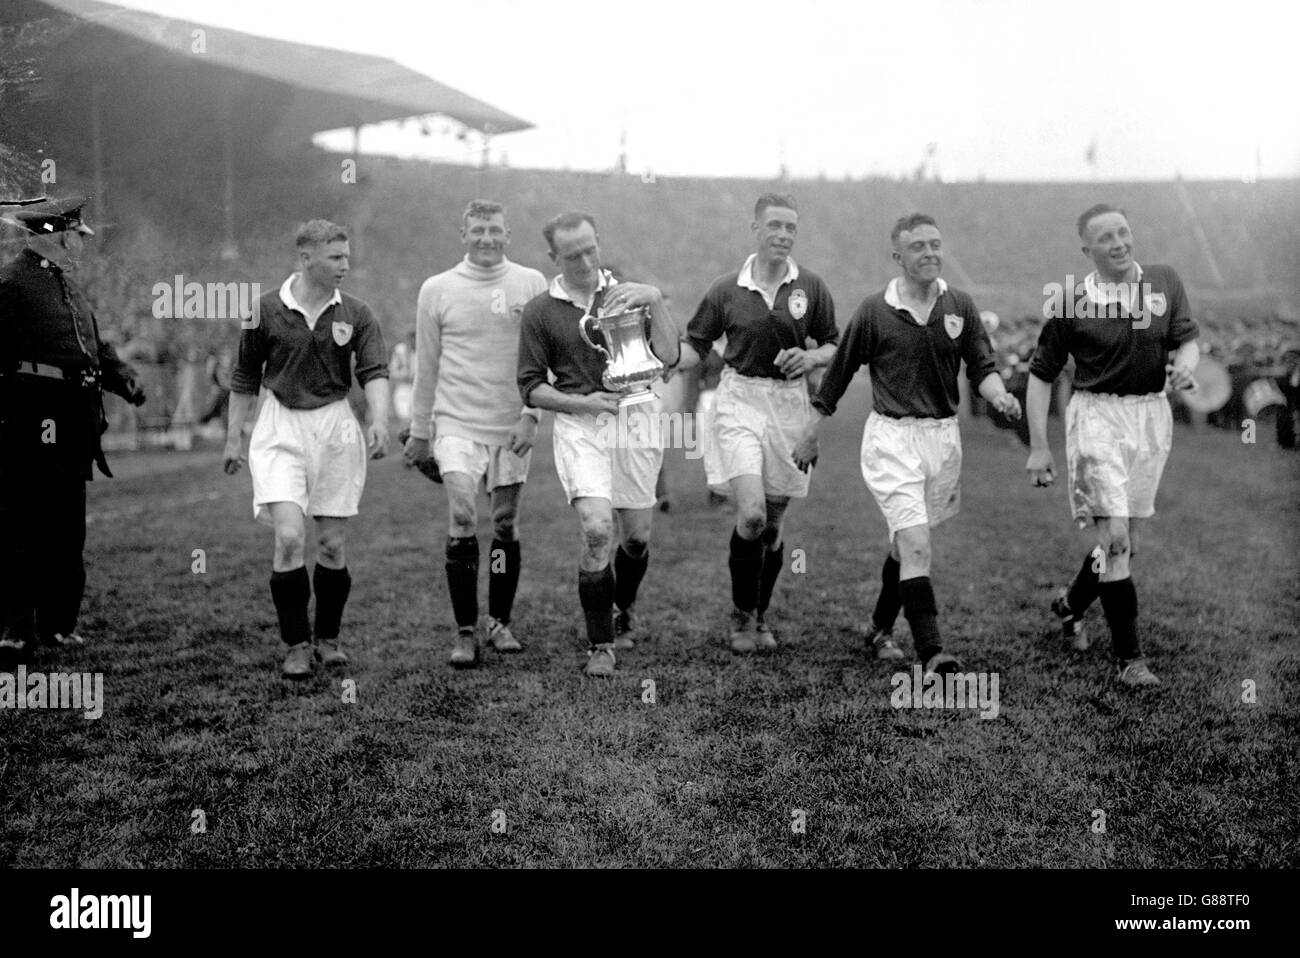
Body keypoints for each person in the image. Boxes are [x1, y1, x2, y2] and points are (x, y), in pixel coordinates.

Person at [793, 213, 1021, 675]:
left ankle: (879, 628)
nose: (930, 252)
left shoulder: (960, 305)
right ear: (898, 257)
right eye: (918, 246)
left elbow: (982, 366)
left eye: (935, 243)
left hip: (942, 439)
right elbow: (838, 374)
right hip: (892, 439)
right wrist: (809, 431)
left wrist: (999, 396)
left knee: (904, 545)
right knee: (916, 542)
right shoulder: (875, 310)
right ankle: (933, 653)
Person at [1025, 204, 1199, 687]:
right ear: (1087, 250)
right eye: (1106, 238)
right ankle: (1131, 661)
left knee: (1127, 543)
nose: (1119, 243)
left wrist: (1185, 363)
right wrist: (1039, 446)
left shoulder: (1164, 282)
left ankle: (1071, 603)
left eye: (1124, 232)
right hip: (1096, 416)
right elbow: (1041, 376)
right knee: (1116, 540)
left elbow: (1188, 341)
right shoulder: (1071, 301)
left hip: (1150, 416)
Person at [223, 219, 389, 679]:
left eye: (347, 256)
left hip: (335, 426)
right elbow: (244, 377)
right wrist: (234, 436)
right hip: (280, 426)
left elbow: (374, 371)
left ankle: (328, 639)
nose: (345, 265)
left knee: (332, 545)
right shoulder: (264, 310)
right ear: (305, 258)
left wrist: (378, 418)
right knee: (291, 537)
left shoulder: (357, 312)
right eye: (336, 257)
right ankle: (296, 644)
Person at [516, 211, 680, 677]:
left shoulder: (630, 295)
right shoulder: (541, 311)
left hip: (637, 421)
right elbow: (529, 386)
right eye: (573, 255)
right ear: (554, 258)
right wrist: (583, 403)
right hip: (581, 425)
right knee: (595, 529)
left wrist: (656, 303)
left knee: (637, 537)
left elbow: (669, 356)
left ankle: (622, 605)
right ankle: (600, 645)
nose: (586, 260)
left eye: (591, 249)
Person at [677, 193, 839, 652]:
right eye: (774, 226)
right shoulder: (726, 288)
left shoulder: (811, 286)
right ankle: (741, 616)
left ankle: (761, 614)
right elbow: (696, 344)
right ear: (756, 229)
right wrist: (667, 359)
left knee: (772, 525)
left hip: (788, 405)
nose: (783, 235)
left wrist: (809, 356)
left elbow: (833, 344)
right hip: (739, 400)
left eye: (790, 227)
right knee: (750, 515)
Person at [0, 196, 147, 669]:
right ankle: (16, 630)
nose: (82, 245)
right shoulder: (11, 284)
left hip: (73, 426)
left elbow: (95, 349)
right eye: (78, 236)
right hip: (25, 425)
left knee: (66, 529)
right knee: (23, 528)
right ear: (61, 235)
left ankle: (59, 625)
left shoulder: (70, 288)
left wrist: (123, 377)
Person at [402, 200, 546, 668]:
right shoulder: (437, 289)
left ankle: (498, 620)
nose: (488, 238)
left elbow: (541, 362)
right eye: (478, 230)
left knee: (504, 523)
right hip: (457, 422)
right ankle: (465, 631)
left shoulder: (531, 284)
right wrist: (420, 432)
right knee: (463, 516)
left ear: (508, 233)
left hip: (509, 424)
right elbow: (428, 366)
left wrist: (531, 416)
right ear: (462, 233)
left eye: (496, 230)